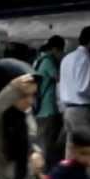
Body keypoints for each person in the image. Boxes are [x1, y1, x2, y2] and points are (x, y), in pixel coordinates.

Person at [60, 26, 90, 158]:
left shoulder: (67, 58)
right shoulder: (84, 57)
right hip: (81, 111)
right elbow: (82, 88)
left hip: (68, 110)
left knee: (71, 150)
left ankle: (69, 176)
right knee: (86, 150)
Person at [33, 36, 65, 168]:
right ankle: (45, 170)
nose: (62, 54)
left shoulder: (39, 61)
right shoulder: (49, 62)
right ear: (56, 49)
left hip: (40, 108)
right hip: (47, 108)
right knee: (48, 142)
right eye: (61, 51)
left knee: (42, 141)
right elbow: (59, 78)